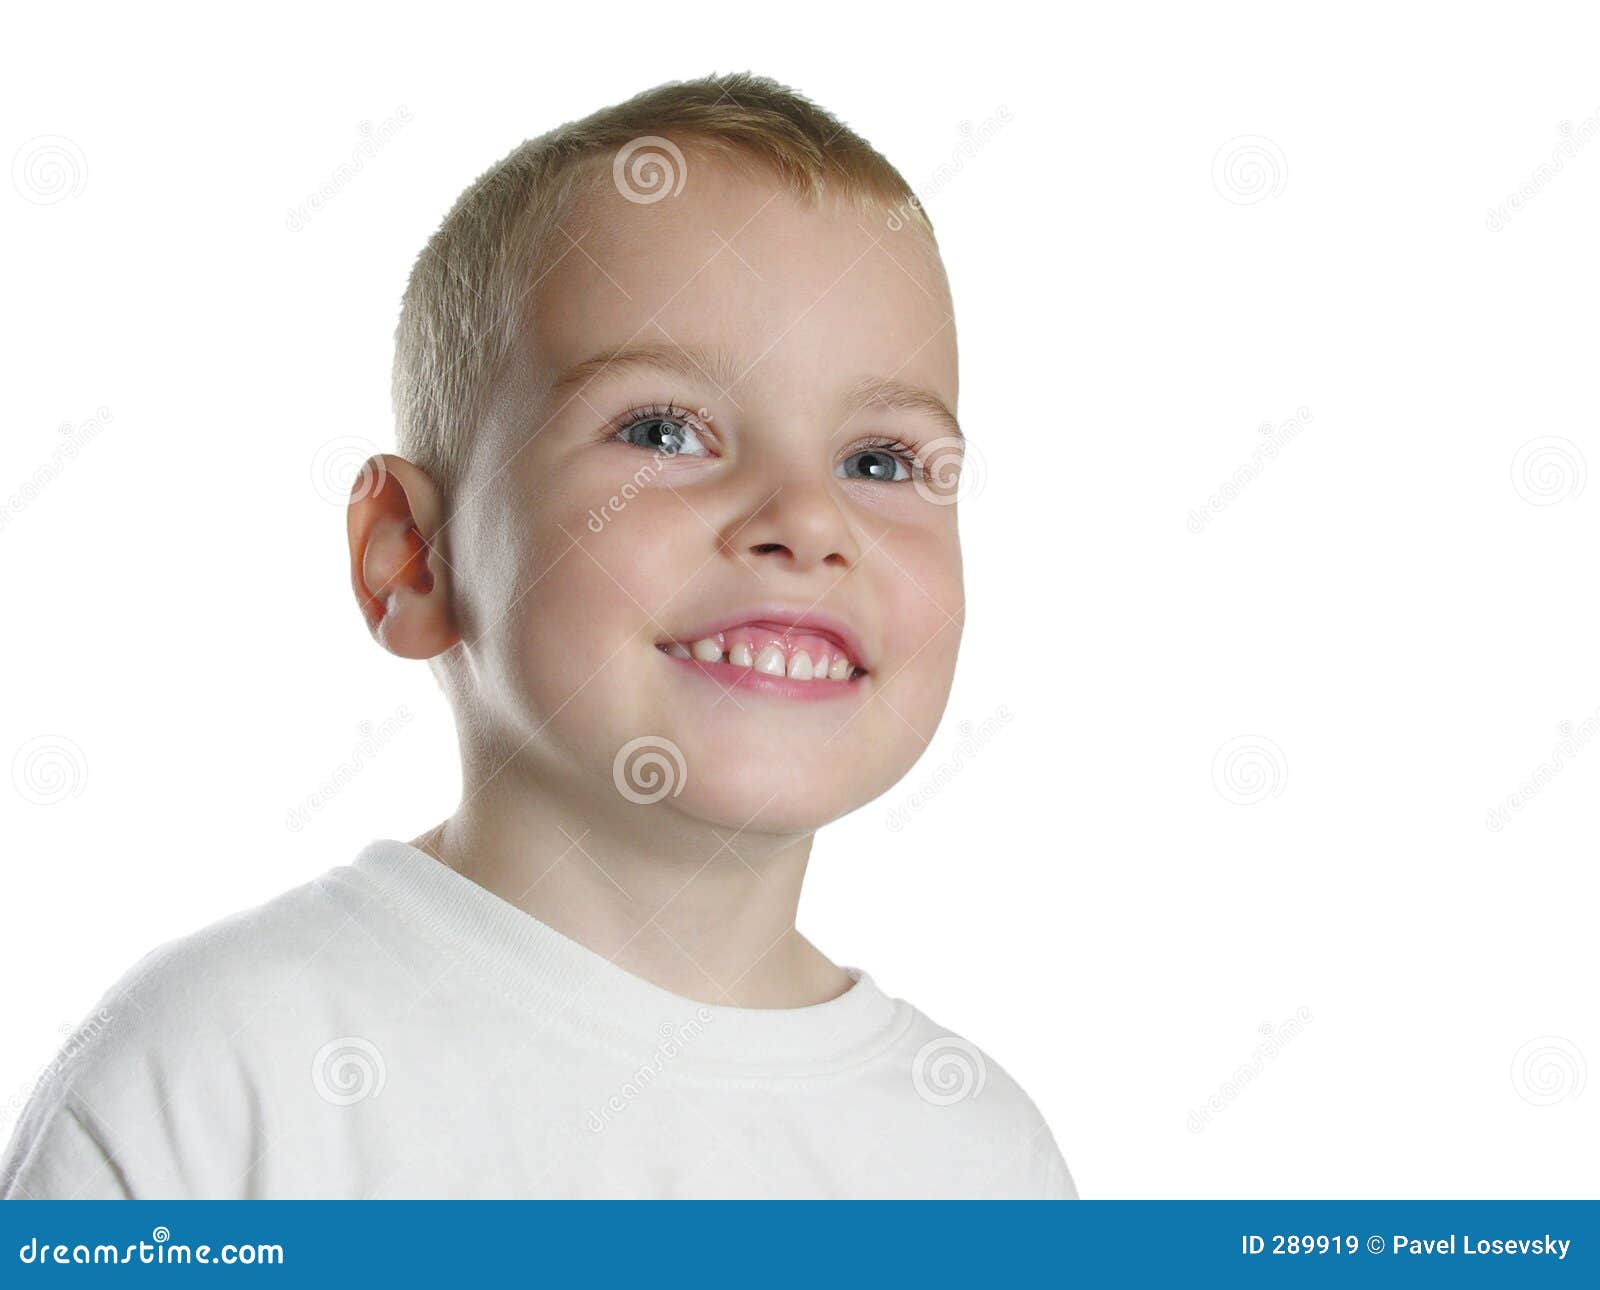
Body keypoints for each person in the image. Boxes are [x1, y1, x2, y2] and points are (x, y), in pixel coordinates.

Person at [2, 71, 1076, 1200]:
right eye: (664, 430)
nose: (808, 520)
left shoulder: (980, 1161)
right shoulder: (225, 1080)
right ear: (412, 556)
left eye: (880, 461)